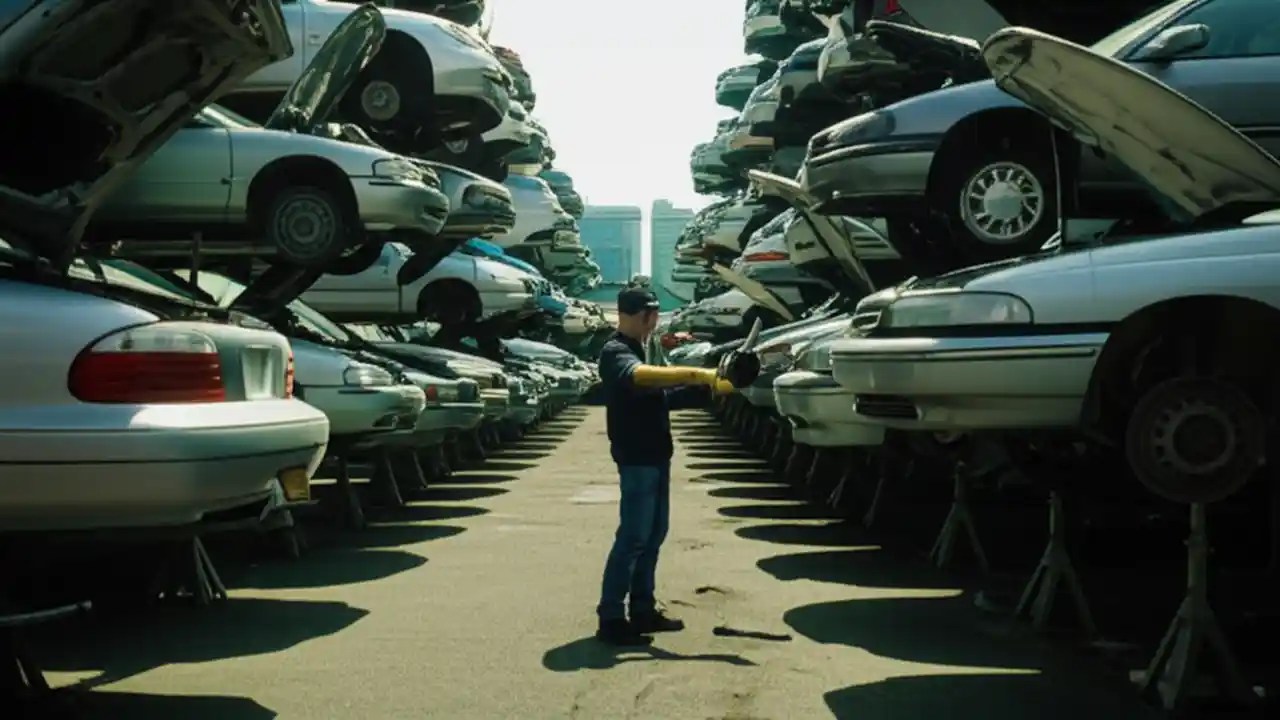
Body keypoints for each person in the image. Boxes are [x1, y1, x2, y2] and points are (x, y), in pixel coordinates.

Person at [594, 287, 732, 646]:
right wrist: (698, 375)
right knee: (633, 537)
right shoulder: (616, 352)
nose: (653, 321)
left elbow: (662, 398)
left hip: (656, 455)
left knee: (653, 536)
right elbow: (638, 378)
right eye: (651, 314)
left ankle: (642, 610)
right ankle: (610, 617)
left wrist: (715, 388)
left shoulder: (641, 350)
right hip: (637, 457)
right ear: (642, 315)